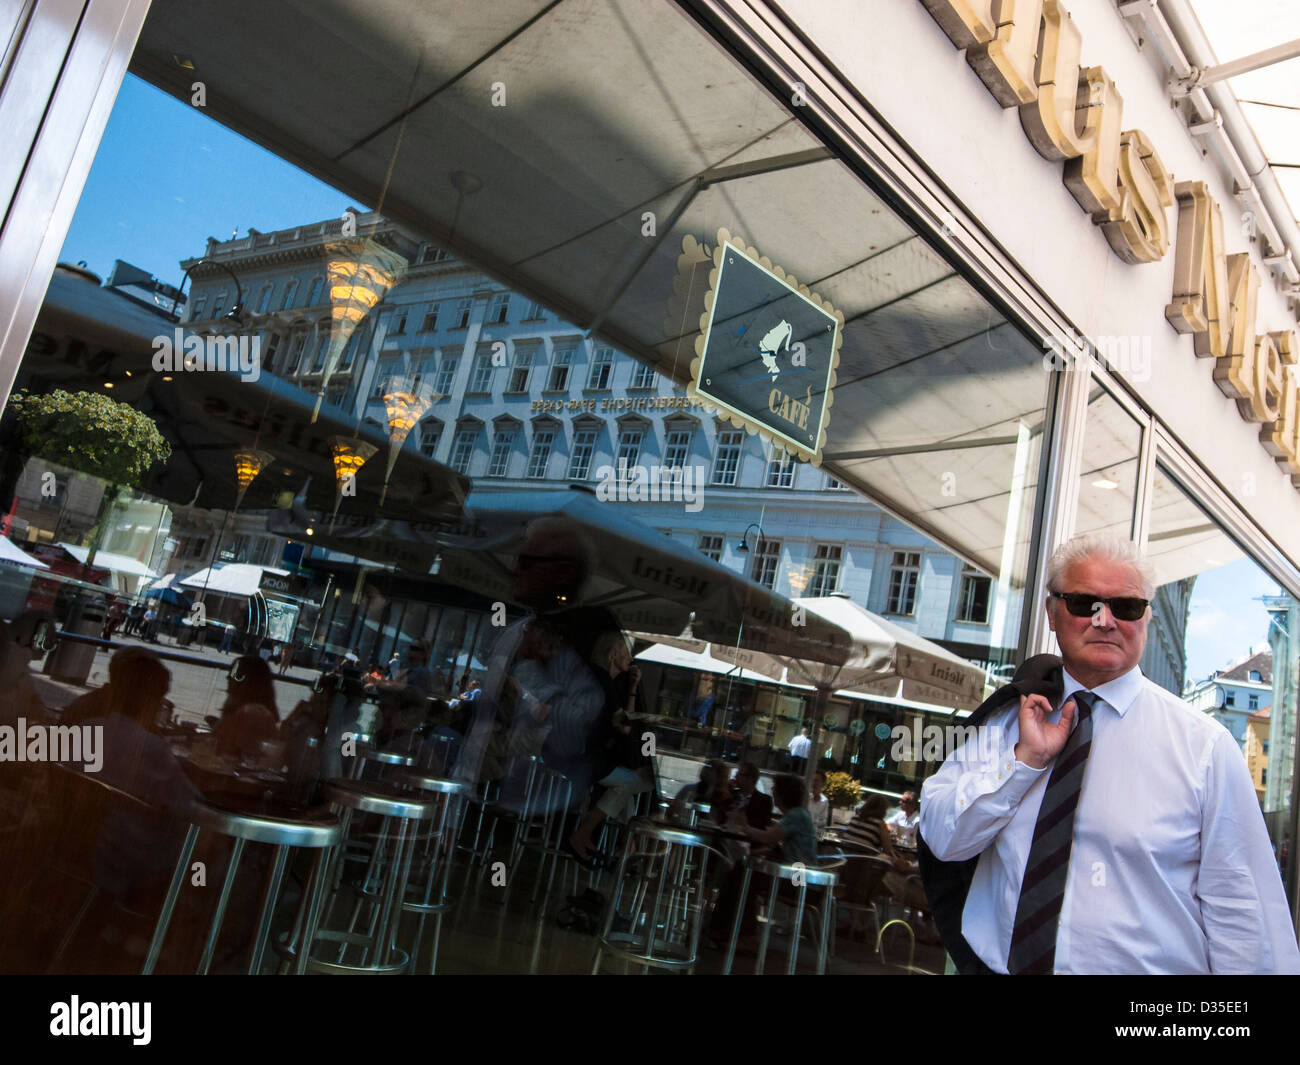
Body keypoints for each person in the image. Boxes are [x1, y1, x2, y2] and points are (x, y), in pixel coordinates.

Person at [920, 533, 1300, 975]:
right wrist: (1022, 763)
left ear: (1146, 618)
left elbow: (1243, 913)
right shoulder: (1005, 723)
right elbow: (944, 841)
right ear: (1052, 612)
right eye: (1084, 603)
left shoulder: (1206, 748)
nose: (1105, 620)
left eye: (1126, 606)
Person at [455, 517, 609, 818]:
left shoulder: (581, 649)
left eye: (526, 562)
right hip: (481, 785)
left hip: (516, 800)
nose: (514, 570)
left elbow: (574, 733)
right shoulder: (519, 629)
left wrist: (527, 681)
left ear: (563, 574)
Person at [566, 630, 654, 864]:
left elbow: (622, 719)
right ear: (613, 654)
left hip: (574, 753)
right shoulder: (603, 679)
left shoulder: (602, 678)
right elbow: (624, 727)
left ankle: (628, 846)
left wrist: (633, 687)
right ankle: (584, 834)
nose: (630, 658)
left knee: (628, 783)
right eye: (626, 652)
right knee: (635, 780)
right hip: (584, 758)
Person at [730, 761, 773, 829]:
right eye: (736, 774)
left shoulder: (764, 800)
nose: (735, 777)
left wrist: (743, 822)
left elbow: (763, 825)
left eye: (739, 774)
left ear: (751, 778)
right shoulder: (731, 794)